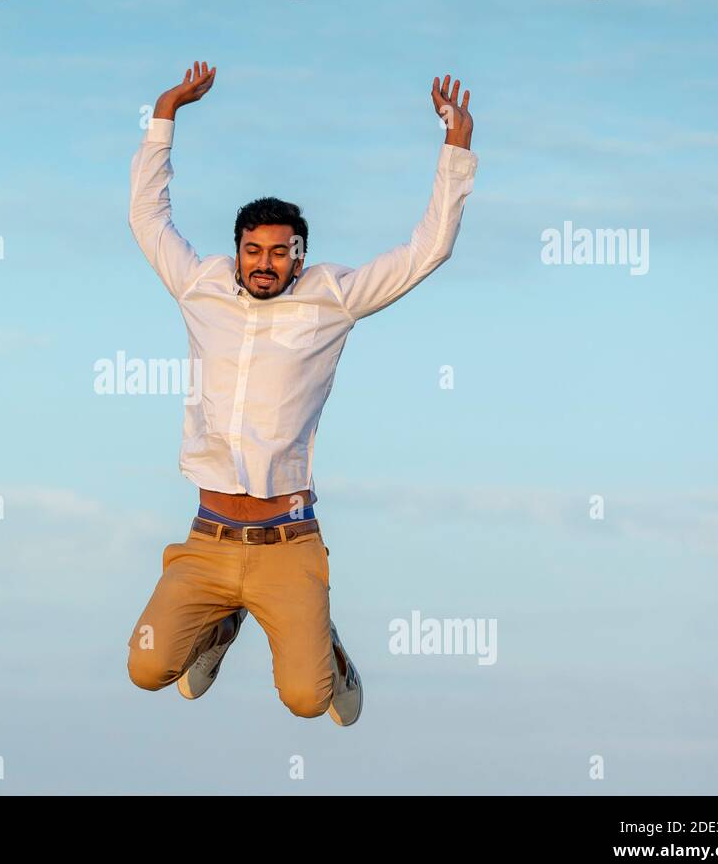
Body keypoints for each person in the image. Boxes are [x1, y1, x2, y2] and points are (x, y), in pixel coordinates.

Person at [125, 61, 478, 725]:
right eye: (254, 250)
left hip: (288, 543)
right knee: (147, 668)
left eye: (280, 252)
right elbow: (147, 216)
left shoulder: (334, 298)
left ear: (301, 253)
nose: (265, 262)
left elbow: (425, 251)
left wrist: (454, 151)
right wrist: (166, 111)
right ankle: (218, 626)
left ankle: (331, 655)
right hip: (208, 539)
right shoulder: (199, 286)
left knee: (308, 701)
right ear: (236, 252)